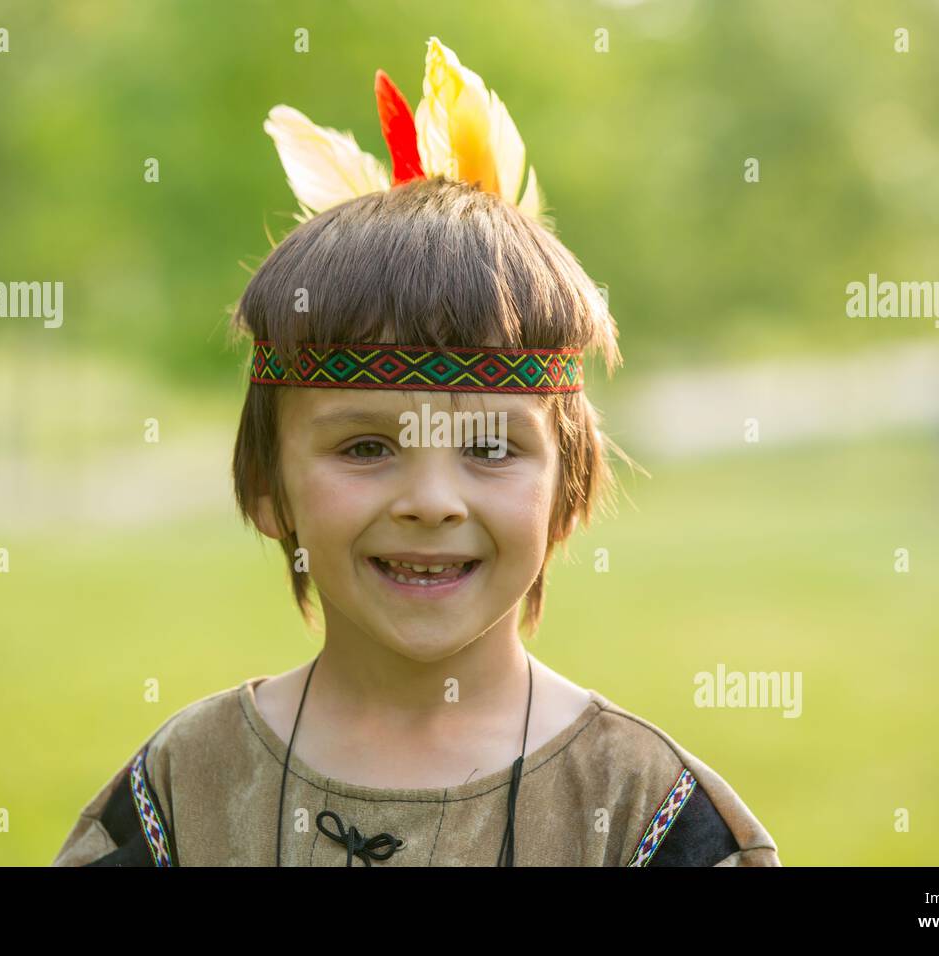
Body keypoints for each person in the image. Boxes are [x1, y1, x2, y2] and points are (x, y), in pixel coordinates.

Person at [52, 37, 780, 868]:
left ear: (569, 490)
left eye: (490, 448)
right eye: (365, 446)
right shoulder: (182, 794)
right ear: (266, 488)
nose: (431, 500)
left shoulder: (647, 813)